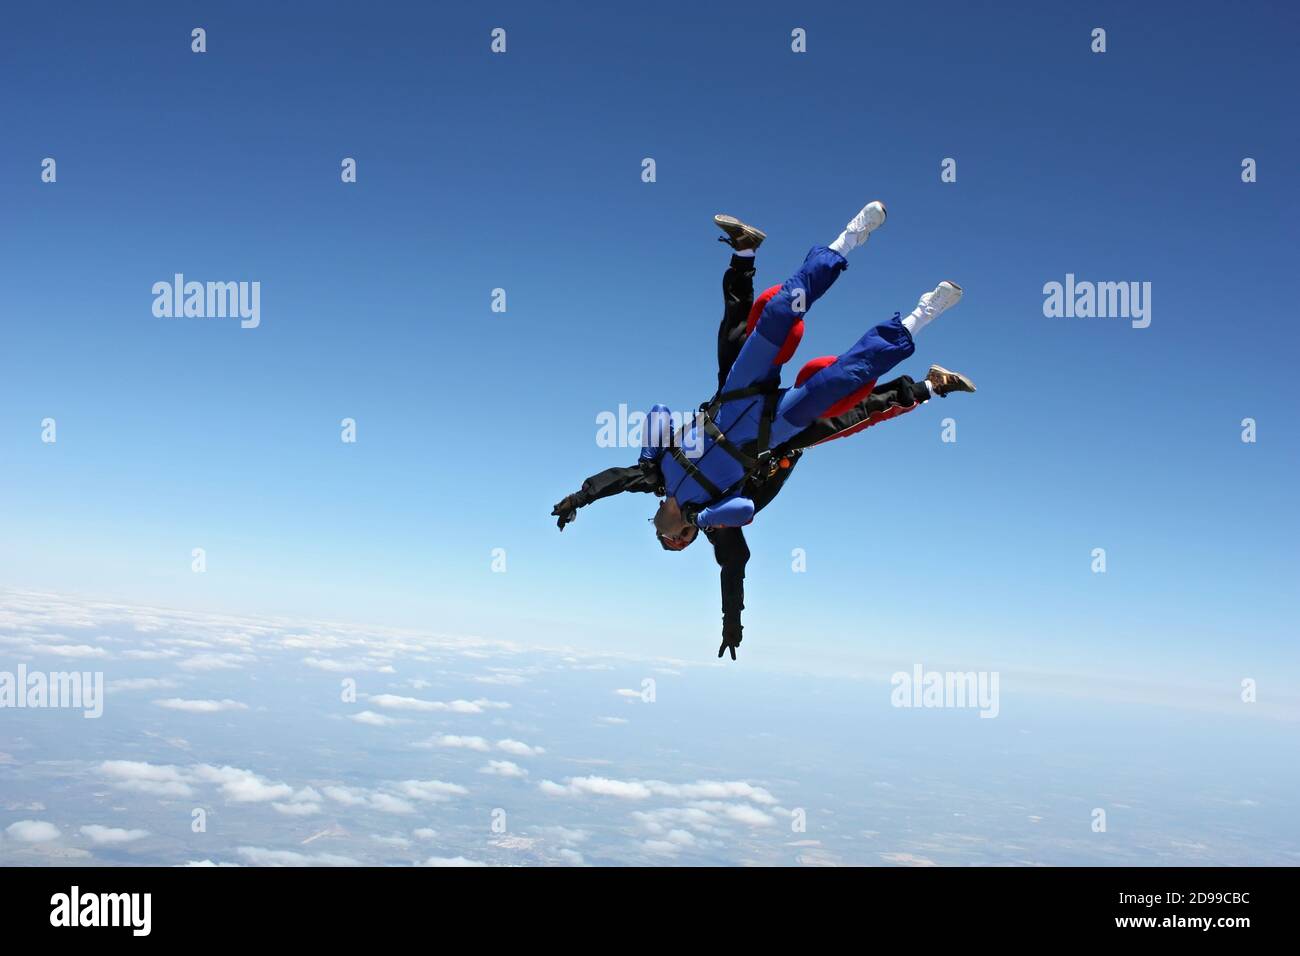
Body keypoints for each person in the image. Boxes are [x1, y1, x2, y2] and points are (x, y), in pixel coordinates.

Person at [551, 202, 975, 659]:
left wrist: (577, 499)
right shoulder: (715, 523)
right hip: (777, 431)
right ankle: (922, 324)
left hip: (738, 394)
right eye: (676, 541)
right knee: (847, 384)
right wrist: (732, 627)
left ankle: (846, 240)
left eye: (665, 537)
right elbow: (733, 570)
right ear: (690, 537)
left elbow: (613, 479)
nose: (669, 534)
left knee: (772, 317)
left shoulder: (654, 476)